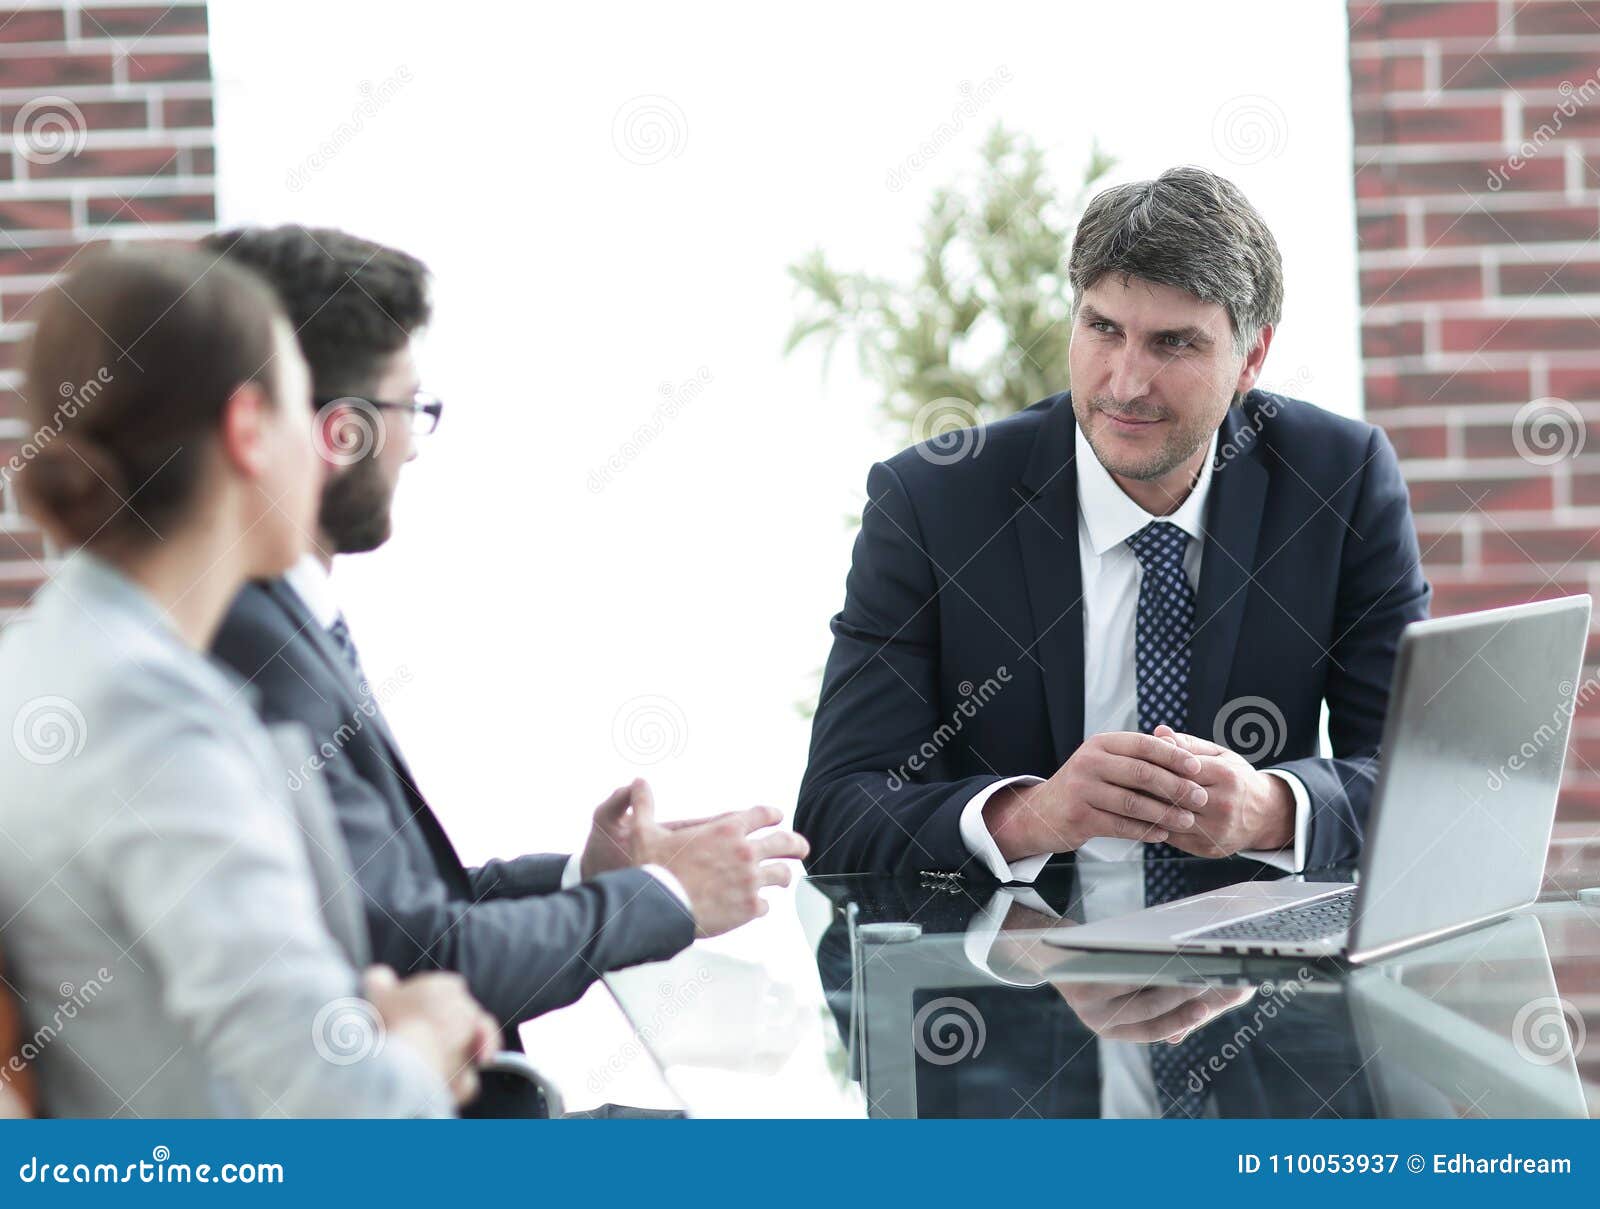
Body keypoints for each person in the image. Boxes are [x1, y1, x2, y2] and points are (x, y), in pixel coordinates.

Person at [203, 225, 808, 1037]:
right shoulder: (253, 652)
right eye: (407, 409)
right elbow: (430, 965)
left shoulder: (280, 622)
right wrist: (666, 897)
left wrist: (590, 876)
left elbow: (407, 913)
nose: (414, 448)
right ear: (336, 429)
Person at [798, 165, 1430, 884]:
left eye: (1174, 343)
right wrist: (1035, 816)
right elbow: (836, 815)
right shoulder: (931, 503)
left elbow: (1424, 781)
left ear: (1251, 356)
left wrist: (1269, 809)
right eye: (1103, 328)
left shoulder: (1338, 483)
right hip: (1015, 975)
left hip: (1252, 975)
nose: (1126, 383)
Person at [0, 246, 499, 1117]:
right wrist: (428, 1031)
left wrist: (354, 1016)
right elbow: (352, 1117)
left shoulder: (50, 659)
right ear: (248, 430)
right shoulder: (147, 716)